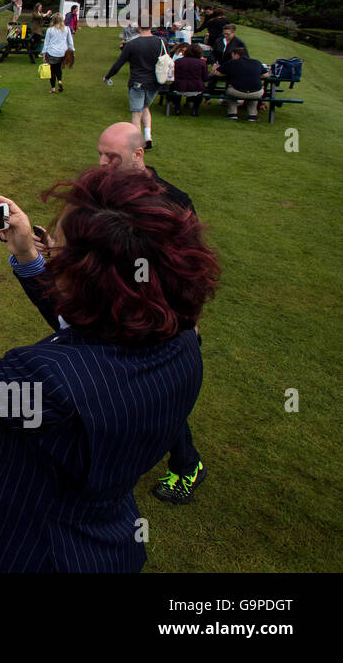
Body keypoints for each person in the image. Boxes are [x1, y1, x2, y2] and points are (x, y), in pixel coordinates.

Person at [0, 165, 219, 571]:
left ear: (89, 278)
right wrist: (28, 256)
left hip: (30, 552)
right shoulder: (181, 337)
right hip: (108, 544)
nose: (53, 252)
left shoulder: (52, 387)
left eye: (59, 251)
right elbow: (90, 326)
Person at [93, 123, 205, 504]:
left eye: (113, 157)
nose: (103, 164)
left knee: (158, 396)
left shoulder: (173, 201)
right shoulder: (105, 191)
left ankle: (187, 465)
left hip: (159, 319)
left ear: (139, 156)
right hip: (116, 311)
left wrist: (188, 324)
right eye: (100, 155)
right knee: (135, 393)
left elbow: (191, 270)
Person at [104, 23, 167, 149]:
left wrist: (108, 76)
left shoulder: (131, 44)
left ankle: (137, 142)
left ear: (138, 27)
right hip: (154, 81)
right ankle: (148, 136)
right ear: (151, 26)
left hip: (137, 81)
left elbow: (119, 63)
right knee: (145, 107)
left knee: (136, 113)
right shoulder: (161, 42)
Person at [211, 46, 270, 120]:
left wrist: (217, 70)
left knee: (230, 92)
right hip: (257, 92)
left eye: (232, 55)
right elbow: (266, 75)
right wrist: (254, 76)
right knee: (254, 93)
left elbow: (217, 73)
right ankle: (252, 115)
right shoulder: (257, 62)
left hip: (237, 91)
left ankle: (232, 113)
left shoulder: (232, 62)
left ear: (236, 54)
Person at [169, 44, 208, 116]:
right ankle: (195, 110)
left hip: (179, 87)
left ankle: (177, 108)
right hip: (196, 88)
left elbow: (172, 75)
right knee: (200, 92)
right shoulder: (202, 63)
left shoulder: (178, 61)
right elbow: (205, 78)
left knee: (174, 88)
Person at [41, 12, 75, 93]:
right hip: (62, 53)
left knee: (52, 70)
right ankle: (59, 80)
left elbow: (46, 43)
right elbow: (70, 41)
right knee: (58, 68)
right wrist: (72, 51)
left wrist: (44, 54)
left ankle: (53, 88)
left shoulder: (50, 30)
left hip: (52, 52)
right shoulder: (66, 29)